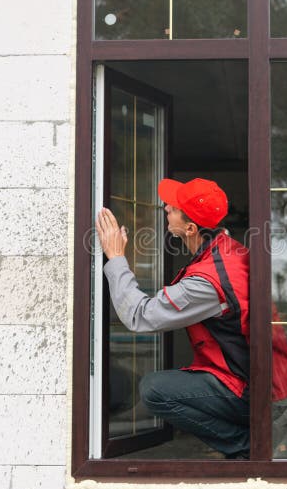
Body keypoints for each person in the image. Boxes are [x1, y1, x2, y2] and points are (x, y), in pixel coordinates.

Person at [95, 177, 252, 459]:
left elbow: (139, 316)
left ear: (190, 228)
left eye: (174, 206)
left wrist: (116, 257)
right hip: (253, 377)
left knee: (154, 389)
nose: (166, 206)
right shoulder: (229, 250)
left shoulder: (207, 282)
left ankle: (244, 446)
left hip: (244, 388)